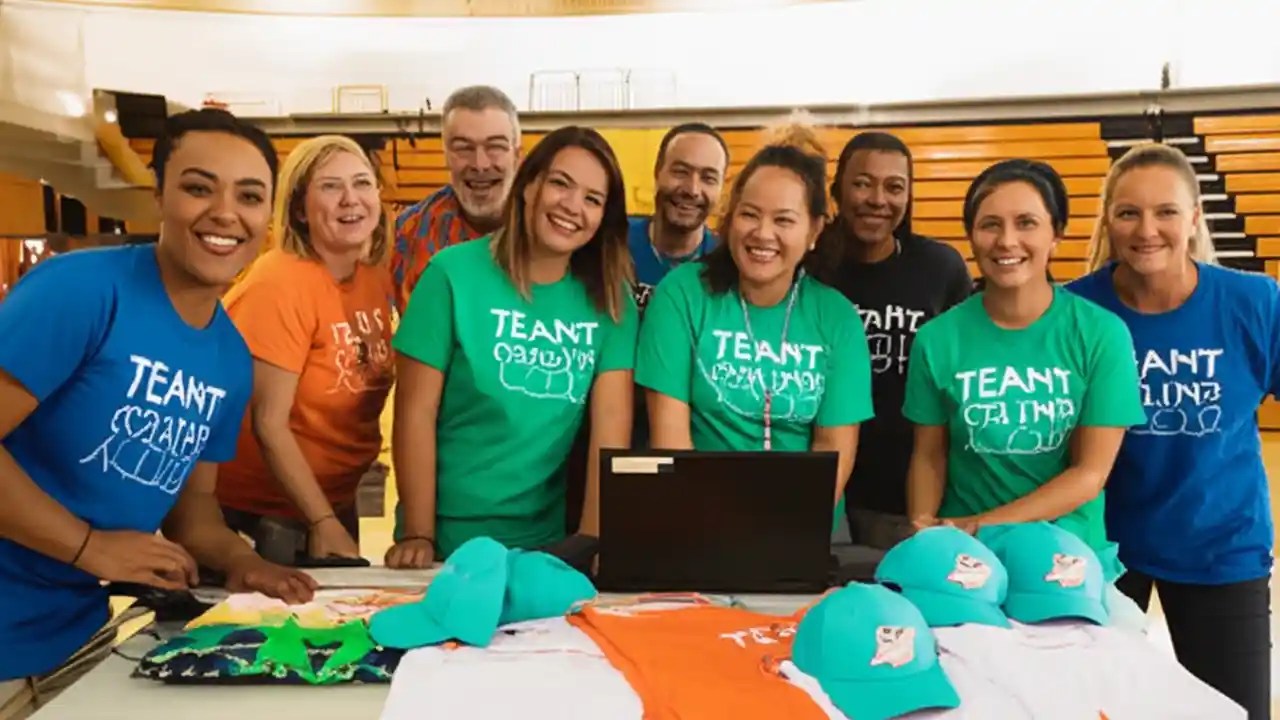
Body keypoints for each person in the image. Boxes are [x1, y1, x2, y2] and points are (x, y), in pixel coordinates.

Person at [0, 108, 317, 686]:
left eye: (249, 197)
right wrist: (89, 546)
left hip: (79, 633)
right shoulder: (81, 290)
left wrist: (243, 561)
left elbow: (192, 510)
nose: (225, 213)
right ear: (160, 195)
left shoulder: (229, 358)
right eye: (199, 188)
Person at [1066, 142, 1273, 718]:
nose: (1147, 229)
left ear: (1194, 219)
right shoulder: (1077, 311)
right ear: (1107, 219)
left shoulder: (1253, 302)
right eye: (1128, 212)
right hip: (1105, 553)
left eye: (1166, 212)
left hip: (1222, 549)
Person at [385, 125, 638, 566]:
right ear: (528, 185)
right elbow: (414, 414)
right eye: (561, 183)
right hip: (446, 545)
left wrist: (591, 543)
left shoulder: (611, 302)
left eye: (593, 199)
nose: (573, 207)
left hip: (544, 547)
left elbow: (609, 434)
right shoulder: (451, 274)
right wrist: (419, 534)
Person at [902, 158, 1147, 556]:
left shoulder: (1101, 334)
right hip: (964, 552)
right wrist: (925, 533)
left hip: (1064, 549)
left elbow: (1089, 474)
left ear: (1057, 234)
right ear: (971, 235)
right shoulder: (936, 339)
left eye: (1026, 223)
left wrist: (981, 526)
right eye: (990, 224)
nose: (1007, 241)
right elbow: (930, 454)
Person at [635, 124, 874, 509]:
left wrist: (780, 535)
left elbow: (833, 450)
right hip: (694, 515)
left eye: (783, 220)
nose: (763, 234)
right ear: (730, 218)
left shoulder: (837, 318)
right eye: (750, 214)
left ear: (814, 229)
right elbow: (671, 441)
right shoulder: (682, 294)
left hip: (802, 527)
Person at [215, 135, 396, 565]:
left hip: (330, 498)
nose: (351, 199)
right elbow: (268, 423)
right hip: (262, 512)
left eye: (362, 183)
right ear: (299, 208)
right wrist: (320, 522)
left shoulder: (371, 277)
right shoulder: (279, 283)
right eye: (331, 187)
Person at [815, 131, 972, 549]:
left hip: (914, 490)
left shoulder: (941, 268)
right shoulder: (809, 268)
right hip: (829, 489)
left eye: (894, 186)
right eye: (863, 183)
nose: (877, 199)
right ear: (837, 190)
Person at [391, 85, 522, 314]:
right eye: (464, 148)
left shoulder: (552, 231)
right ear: (446, 155)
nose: (480, 164)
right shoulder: (408, 235)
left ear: (517, 155)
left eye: (495, 147)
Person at [628, 123, 728, 311]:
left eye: (708, 178)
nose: (692, 190)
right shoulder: (611, 244)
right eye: (681, 172)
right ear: (657, 172)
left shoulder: (724, 264)